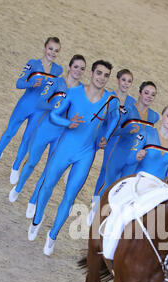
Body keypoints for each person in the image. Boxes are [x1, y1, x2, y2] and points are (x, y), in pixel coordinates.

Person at [27, 59, 121, 256]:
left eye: (106, 75)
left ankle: (52, 236)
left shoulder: (111, 100)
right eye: (99, 73)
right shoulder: (75, 93)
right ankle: (37, 219)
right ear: (92, 74)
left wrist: (106, 136)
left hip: (86, 154)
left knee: (70, 197)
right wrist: (68, 122)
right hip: (65, 148)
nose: (102, 78)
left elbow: (114, 118)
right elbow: (54, 115)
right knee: (47, 186)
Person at [8, 54, 86, 216]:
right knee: (31, 163)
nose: (78, 71)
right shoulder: (56, 82)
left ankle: (33, 200)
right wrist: (56, 107)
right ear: (70, 67)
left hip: (62, 135)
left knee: (49, 171)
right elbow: (40, 102)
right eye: (76, 67)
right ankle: (19, 187)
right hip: (45, 129)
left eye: (82, 68)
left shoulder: (81, 92)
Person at [0, 37, 62, 183]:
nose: (52, 52)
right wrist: (31, 83)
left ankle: (16, 166)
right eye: (50, 48)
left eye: (56, 51)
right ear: (45, 47)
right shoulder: (32, 64)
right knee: (10, 132)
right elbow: (19, 83)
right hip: (24, 105)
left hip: (40, 111)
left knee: (27, 139)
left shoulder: (58, 70)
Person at [96, 81, 159, 198]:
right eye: (146, 93)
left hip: (134, 160)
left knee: (123, 192)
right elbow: (113, 130)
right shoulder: (127, 110)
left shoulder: (154, 117)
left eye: (153, 94)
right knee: (106, 187)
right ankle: (94, 212)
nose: (149, 96)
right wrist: (126, 130)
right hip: (118, 155)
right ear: (140, 93)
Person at [93, 68, 136, 197]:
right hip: (102, 134)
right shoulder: (108, 96)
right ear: (118, 80)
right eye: (123, 80)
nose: (125, 83)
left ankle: (97, 198)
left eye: (129, 81)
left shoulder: (132, 103)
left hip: (117, 140)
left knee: (106, 169)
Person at [120, 104, 168, 181]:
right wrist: (136, 157)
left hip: (158, 185)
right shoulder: (146, 133)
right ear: (161, 117)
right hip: (140, 181)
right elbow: (128, 160)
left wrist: (166, 176)